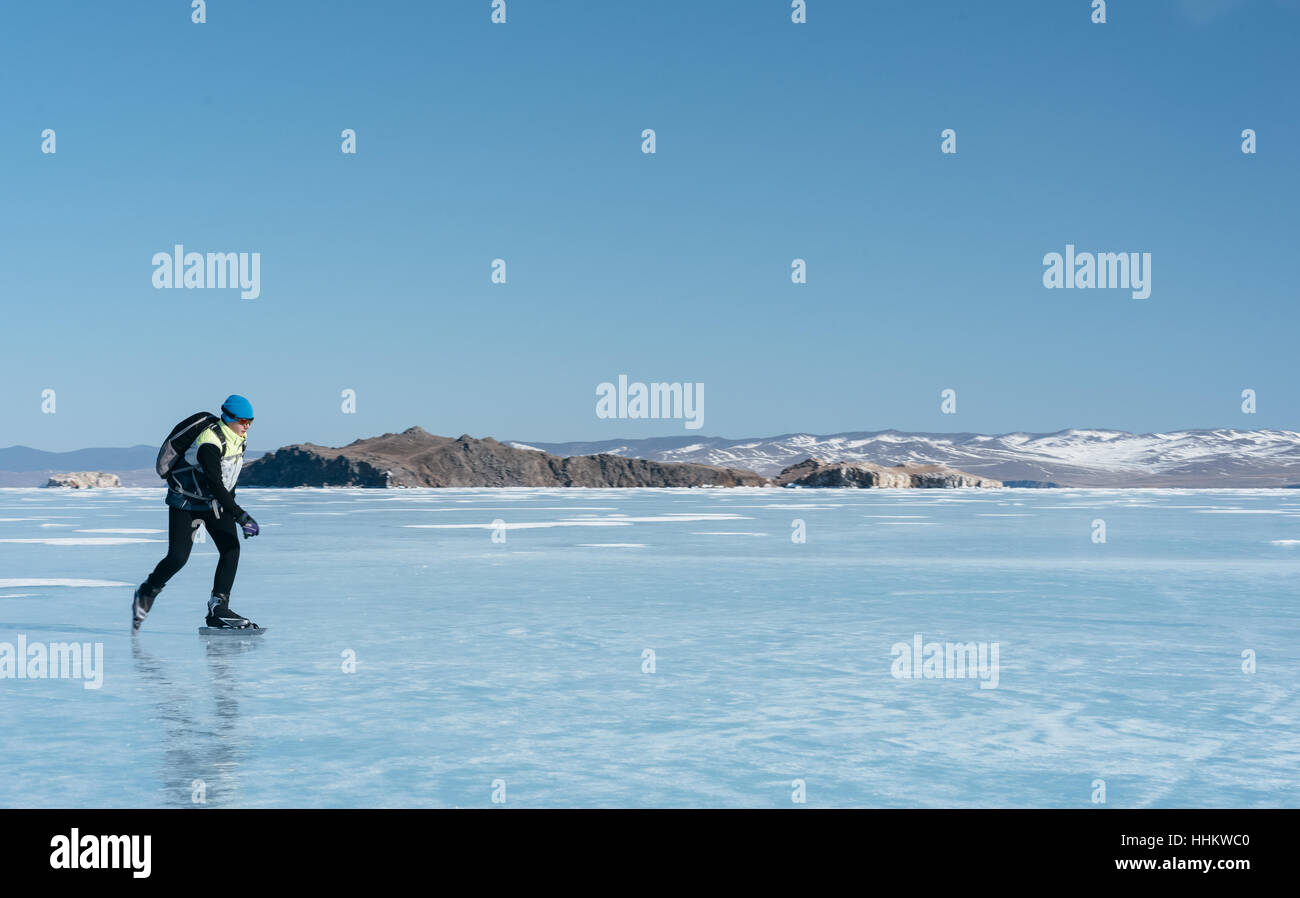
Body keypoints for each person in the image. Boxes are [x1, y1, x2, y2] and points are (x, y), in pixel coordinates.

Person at [132, 395, 261, 631]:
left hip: (215, 503)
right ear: (229, 418)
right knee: (178, 557)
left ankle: (218, 609)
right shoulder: (209, 441)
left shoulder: (238, 439)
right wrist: (240, 516)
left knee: (231, 549)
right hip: (186, 502)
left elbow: (228, 479)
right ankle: (146, 592)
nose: (247, 426)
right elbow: (215, 483)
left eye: (251, 421)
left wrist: (230, 508)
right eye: (243, 421)